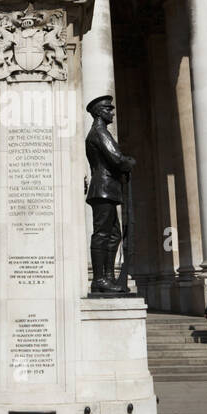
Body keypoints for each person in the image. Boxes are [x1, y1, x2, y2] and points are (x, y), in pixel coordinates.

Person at [85, 96, 136, 294]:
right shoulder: (100, 132)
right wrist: (129, 162)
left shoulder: (99, 132)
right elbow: (116, 158)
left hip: (107, 189)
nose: (111, 112)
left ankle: (108, 277)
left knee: (113, 235)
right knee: (103, 234)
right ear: (99, 112)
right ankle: (99, 279)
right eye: (108, 109)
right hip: (103, 189)